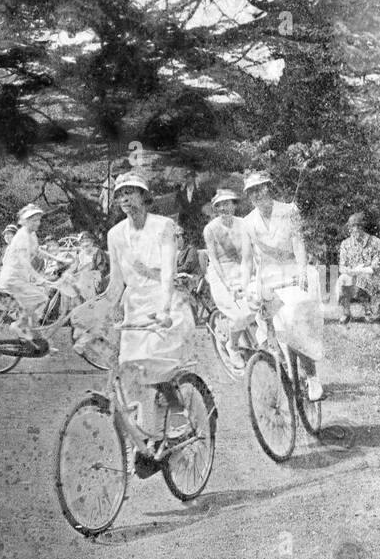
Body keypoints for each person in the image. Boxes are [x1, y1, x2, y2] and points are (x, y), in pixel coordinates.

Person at [107, 172, 196, 459]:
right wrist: (98, 312)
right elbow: (115, 282)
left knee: (155, 362)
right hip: (135, 306)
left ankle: (180, 414)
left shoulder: (164, 226)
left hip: (165, 301)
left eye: (131, 192)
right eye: (121, 194)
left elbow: (168, 270)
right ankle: (150, 440)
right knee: (130, 371)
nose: (125, 198)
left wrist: (166, 308)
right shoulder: (115, 234)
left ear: (145, 196)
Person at [241, 170, 323, 402]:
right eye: (251, 192)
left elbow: (298, 241)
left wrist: (302, 270)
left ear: (268, 188)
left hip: (292, 270)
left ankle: (312, 377)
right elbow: (247, 259)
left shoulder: (288, 211)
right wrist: (245, 284)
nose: (256, 195)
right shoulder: (248, 222)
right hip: (268, 276)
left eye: (259, 189)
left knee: (296, 321)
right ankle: (277, 362)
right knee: (266, 319)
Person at [201, 188, 254, 366]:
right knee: (239, 316)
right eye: (220, 205)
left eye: (227, 203)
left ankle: (264, 342)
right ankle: (233, 346)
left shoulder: (244, 224)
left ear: (234, 204)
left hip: (242, 270)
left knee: (260, 305)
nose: (224, 208)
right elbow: (214, 259)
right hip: (220, 272)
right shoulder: (210, 229)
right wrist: (227, 283)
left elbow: (248, 256)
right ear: (216, 208)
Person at [0, 203, 59, 347]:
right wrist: (41, 279)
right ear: (24, 221)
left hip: (20, 279)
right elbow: (25, 263)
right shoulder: (21, 237)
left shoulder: (32, 234)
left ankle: (39, 344)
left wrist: (58, 259)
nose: (37, 223)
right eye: (33, 220)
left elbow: (37, 251)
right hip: (12, 279)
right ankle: (19, 325)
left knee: (34, 306)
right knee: (41, 298)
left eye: (38, 219)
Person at [337, 211, 380, 323]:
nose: (356, 229)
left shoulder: (375, 242)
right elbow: (342, 266)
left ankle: (368, 311)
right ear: (349, 228)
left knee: (363, 278)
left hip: (372, 275)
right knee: (342, 280)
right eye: (352, 226)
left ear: (363, 227)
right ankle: (346, 313)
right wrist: (351, 271)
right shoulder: (345, 244)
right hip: (352, 275)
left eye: (359, 226)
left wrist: (362, 270)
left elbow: (377, 265)